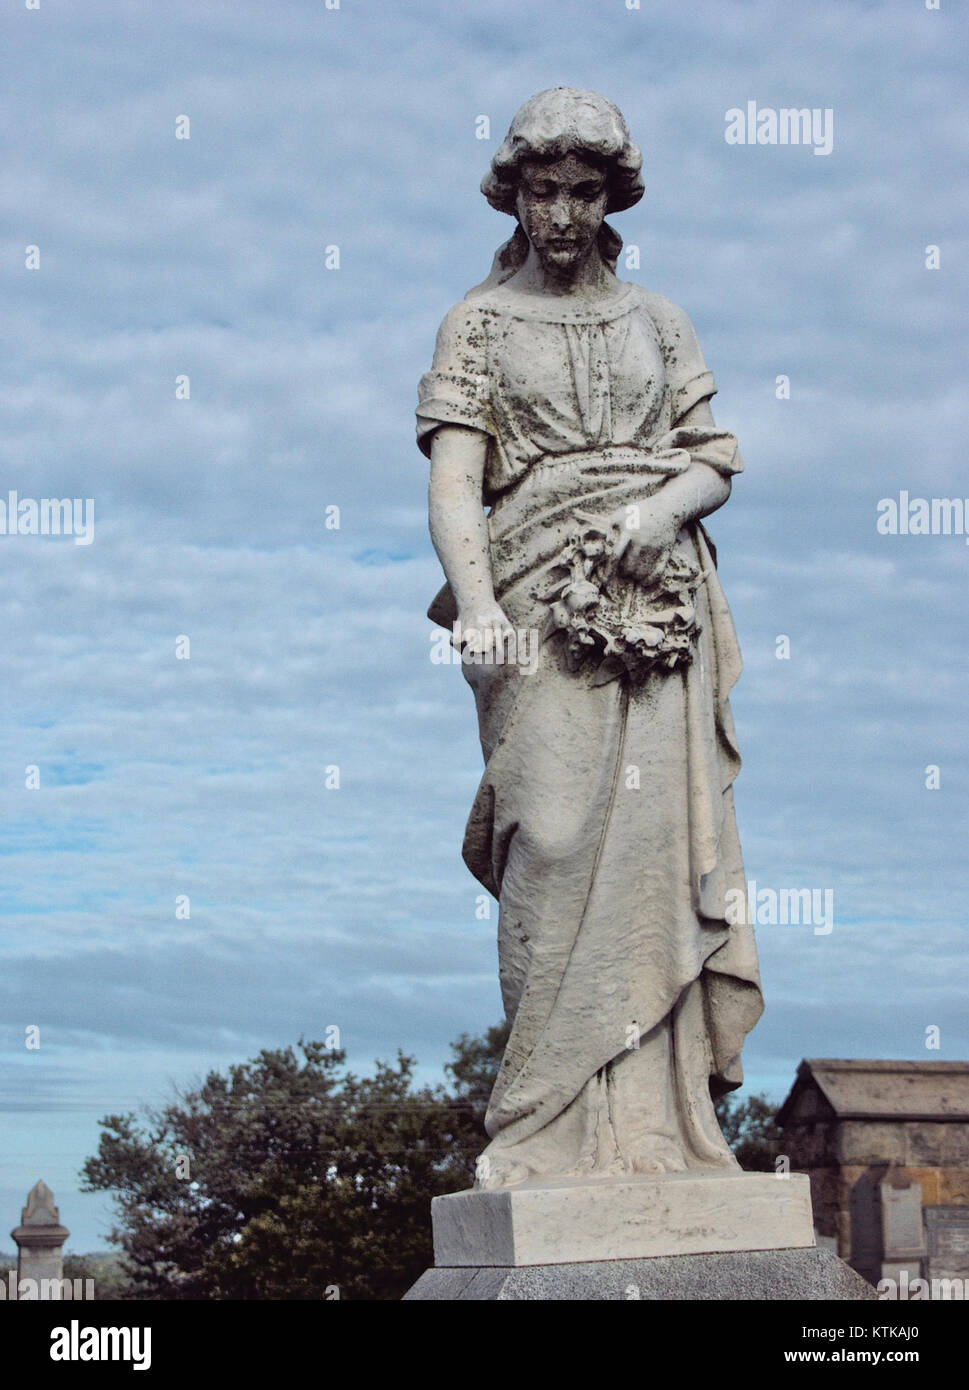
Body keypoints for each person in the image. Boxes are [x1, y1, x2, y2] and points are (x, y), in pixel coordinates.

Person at [417, 88, 763, 1188]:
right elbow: (455, 483)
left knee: (663, 858)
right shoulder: (475, 321)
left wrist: (660, 514)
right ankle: (539, 1125)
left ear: (613, 196)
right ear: (511, 193)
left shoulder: (659, 319)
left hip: (661, 603)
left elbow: (713, 454)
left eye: (583, 190)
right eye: (541, 189)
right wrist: (473, 605)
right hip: (532, 603)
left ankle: (665, 1141)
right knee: (552, 841)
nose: (561, 212)